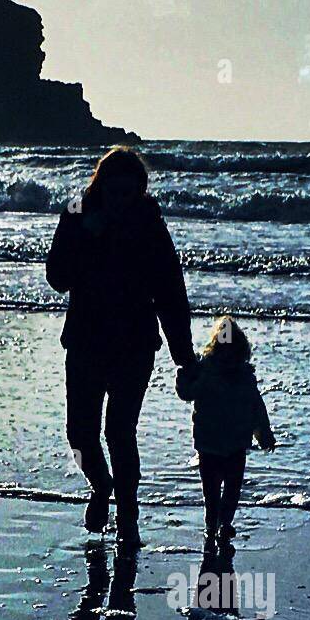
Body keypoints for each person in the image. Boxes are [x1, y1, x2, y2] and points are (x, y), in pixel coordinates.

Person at [46, 146, 194, 547]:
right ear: (101, 186)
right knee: (80, 435)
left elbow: (171, 293)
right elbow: (57, 276)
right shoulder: (77, 213)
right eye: (115, 192)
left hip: (134, 344)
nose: (122, 202)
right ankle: (101, 486)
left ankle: (128, 517)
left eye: (130, 194)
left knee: (120, 432)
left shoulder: (149, 225)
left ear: (140, 193)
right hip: (85, 341)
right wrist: (87, 239)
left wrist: (185, 359)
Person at [175, 314, 276, 545]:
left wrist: (263, 433)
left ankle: (220, 524)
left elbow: (256, 408)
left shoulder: (227, 375)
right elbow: (187, 393)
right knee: (220, 492)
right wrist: (263, 434)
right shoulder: (215, 374)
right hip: (221, 445)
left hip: (222, 444)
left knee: (223, 491)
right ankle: (216, 525)